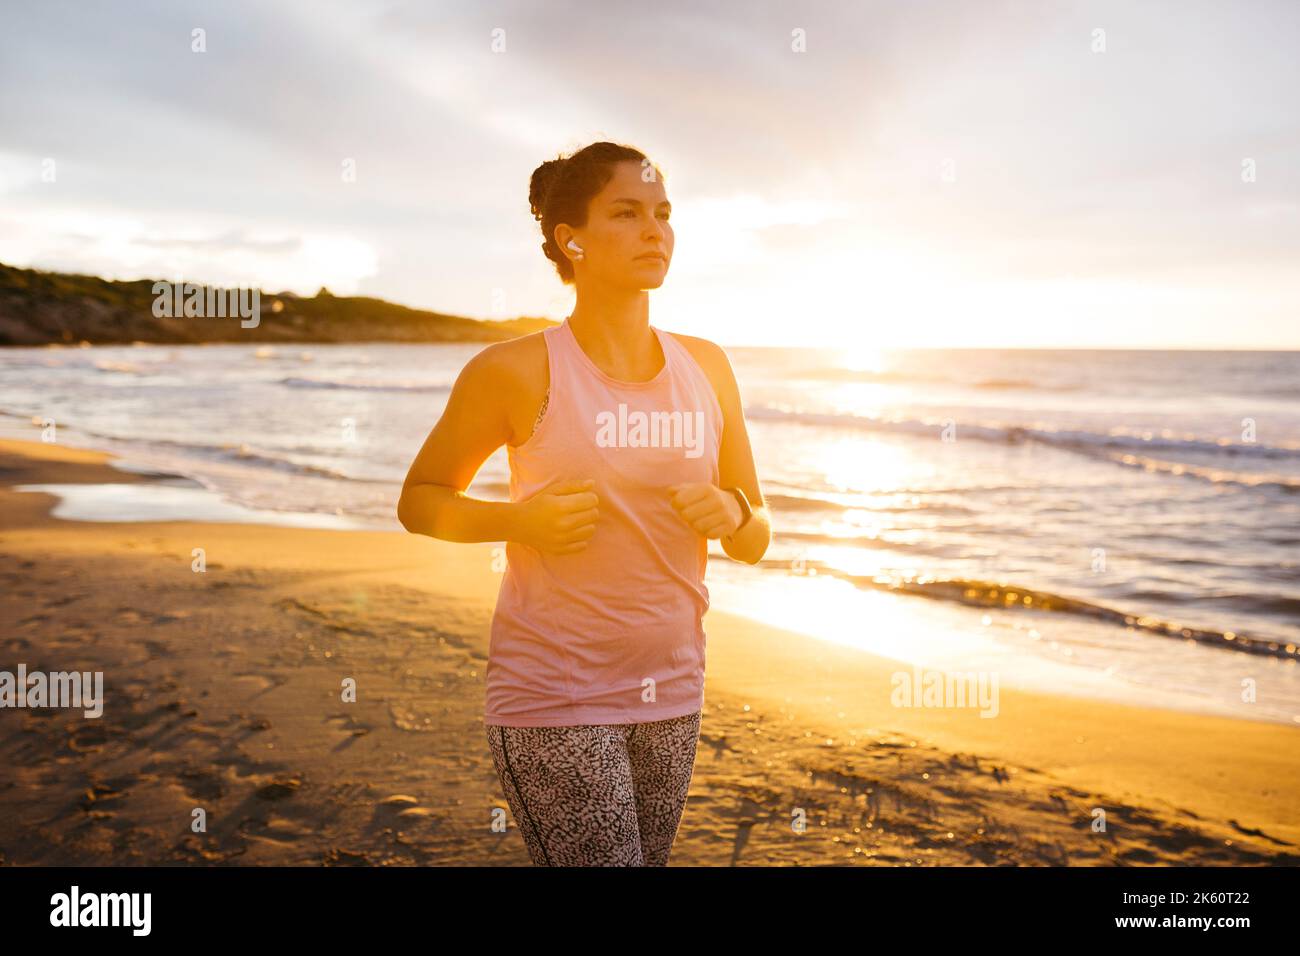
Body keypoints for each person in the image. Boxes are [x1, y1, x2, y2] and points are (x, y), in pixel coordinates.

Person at [397, 140, 770, 865]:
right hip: (554, 694)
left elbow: (756, 535)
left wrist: (735, 513)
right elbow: (420, 500)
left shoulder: (710, 366)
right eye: (627, 213)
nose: (655, 230)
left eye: (663, 213)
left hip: (674, 689)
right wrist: (518, 520)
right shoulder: (512, 369)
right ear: (572, 239)